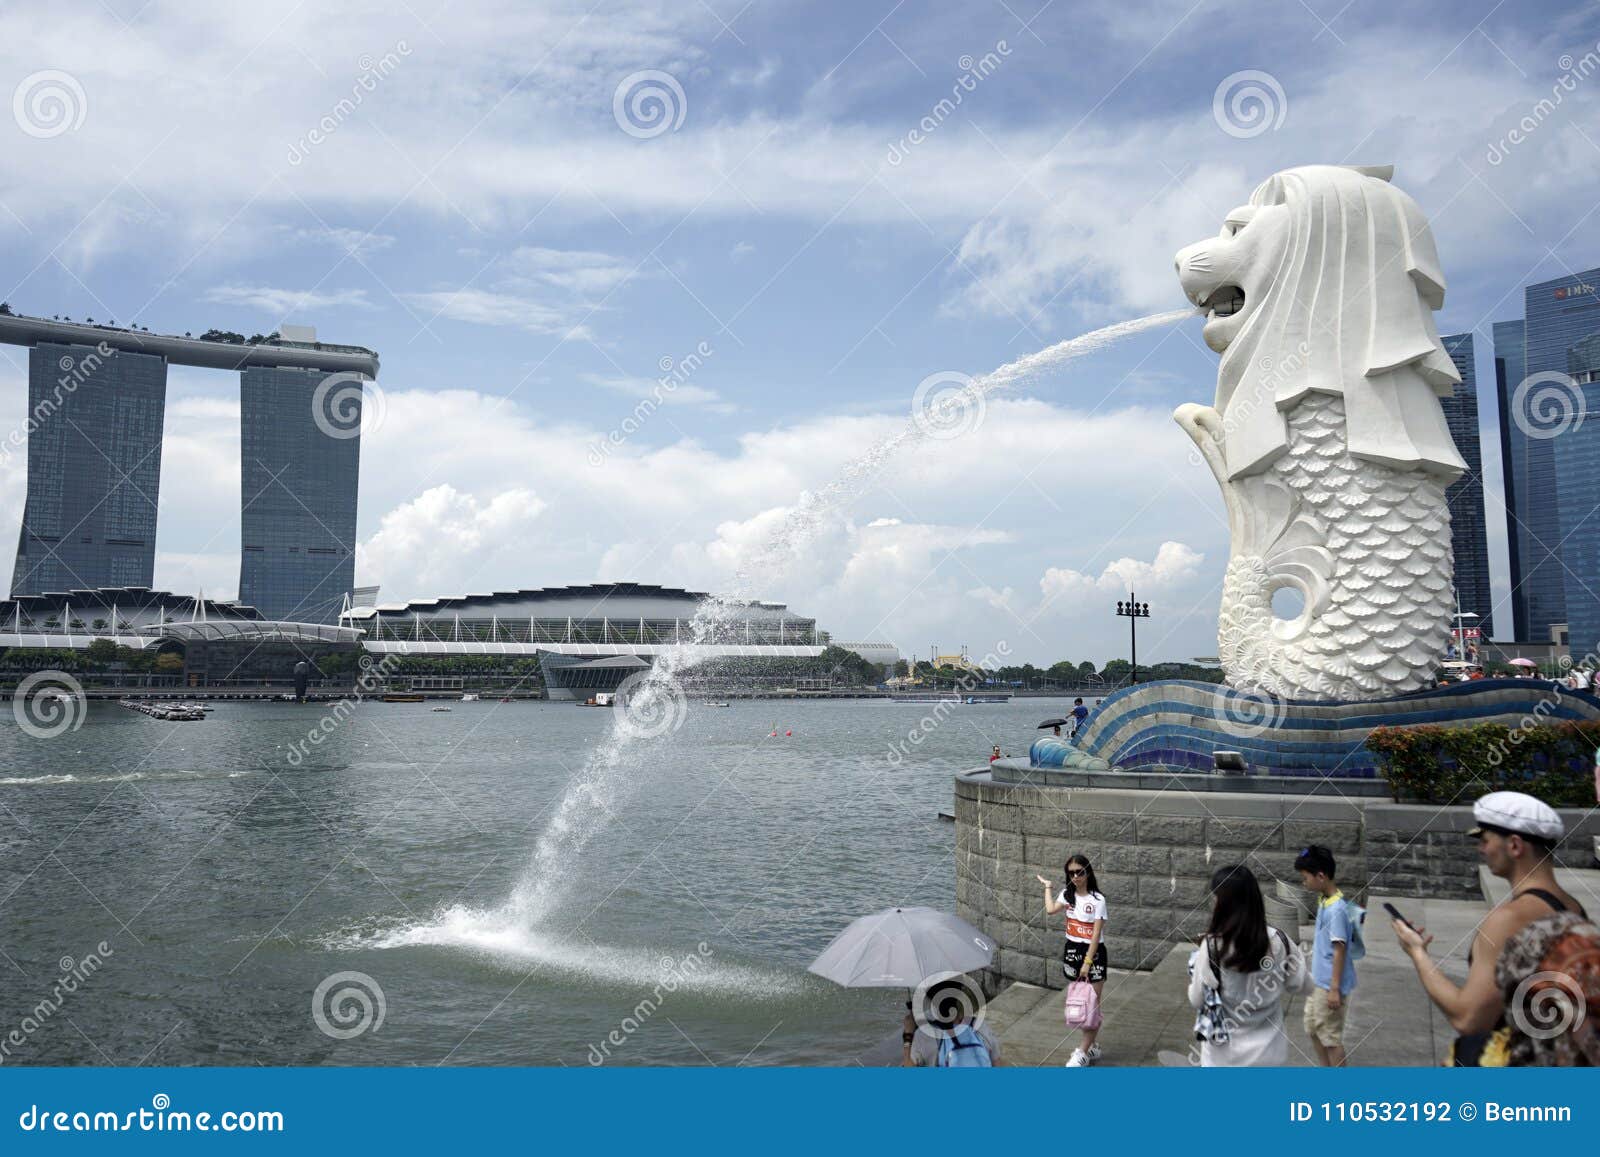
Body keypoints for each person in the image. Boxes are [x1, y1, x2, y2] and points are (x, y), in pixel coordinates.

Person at [1393, 791, 1585, 1066]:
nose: (1481, 849)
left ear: (1515, 845)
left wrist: (1417, 953)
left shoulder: (1507, 920)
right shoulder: (1574, 908)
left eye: (1485, 840)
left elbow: (1468, 1019)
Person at [1188, 865, 1311, 1066]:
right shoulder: (1280, 940)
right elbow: (1300, 985)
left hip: (1223, 1058)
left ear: (1221, 903)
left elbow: (1196, 999)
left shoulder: (1211, 947)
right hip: (1270, 1055)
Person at [1037, 855, 1107, 1067]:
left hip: (1093, 954)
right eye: (1071, 873)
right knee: (1080, 1002)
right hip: (1072, 950)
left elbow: (1096, 935)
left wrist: (1087, 962)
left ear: (1088, 872)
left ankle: (1082, 1052)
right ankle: (1092, 1045)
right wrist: (1048, 887)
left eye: (1080, 872)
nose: (1076, 876)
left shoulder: (1098, 900)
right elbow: (1051, 909)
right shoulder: (1067, 895)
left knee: (1092, 1004)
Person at [1296, 845, 1357, 1066]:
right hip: (1318, 981)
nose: (1304, 882)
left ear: (1320, 876)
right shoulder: (1325, 900)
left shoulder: (1336, 910)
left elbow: (1339, 950)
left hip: (1329, 985)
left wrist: (1334, 989)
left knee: (1330, 1037)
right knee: (1312, 1027)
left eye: (1305, 878)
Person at [901, 978, 1003, 1067]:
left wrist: (908, 1034)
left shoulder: (924, 1035)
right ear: (958, 992)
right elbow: (997, 1063)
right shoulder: (979, 1025)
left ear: (930, 999)